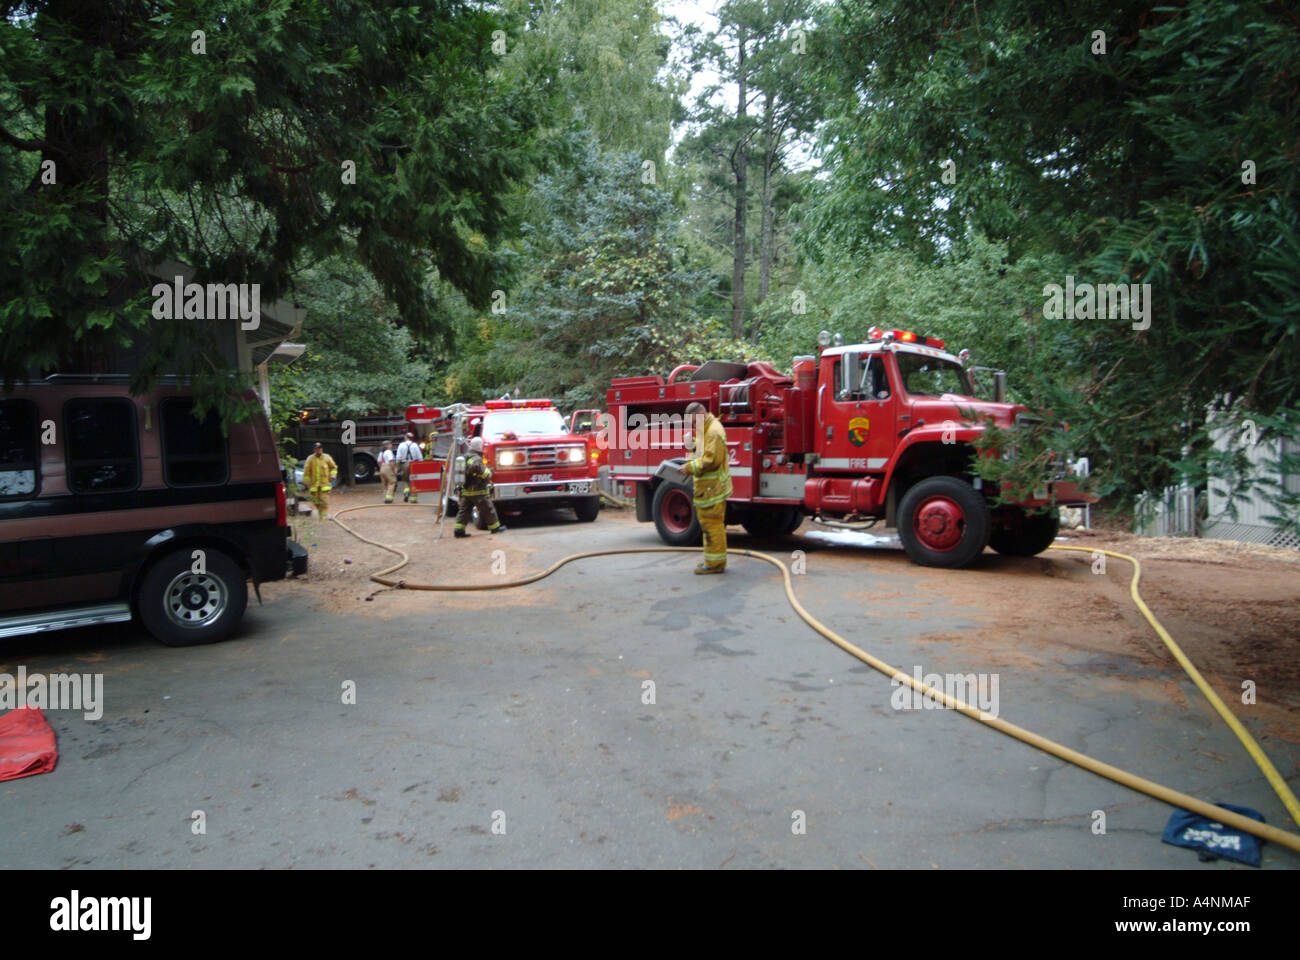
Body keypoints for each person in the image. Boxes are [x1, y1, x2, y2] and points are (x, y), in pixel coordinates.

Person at [680, 401, 731, 574]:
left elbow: (711, 460)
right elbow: (703, 450)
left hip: (712, 489)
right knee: (710, 525)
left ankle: (714, 564)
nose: (694, 427)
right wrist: (692, 443)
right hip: (708, 489)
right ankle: (714, 562)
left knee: (712, 526)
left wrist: (688, 468)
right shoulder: (706, 428)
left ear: (701, 415)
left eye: (694, 423)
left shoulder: (714, 431)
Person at [454, 437, 505, 537]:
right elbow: (484, 474)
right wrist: (490, 471)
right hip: (478, 490)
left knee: (464, 511)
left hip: (466, 490)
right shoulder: (476, 459)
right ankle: (495, 528)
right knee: (488, 509)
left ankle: (458, 531)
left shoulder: (465, 457)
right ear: (479, 446)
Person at [302, 442, 338, 520]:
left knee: (324, 501)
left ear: (322, 449)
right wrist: (306, 483)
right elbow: (306, 472)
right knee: (316, 502)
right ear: (314, 450)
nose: (318, 450)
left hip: (325, 485)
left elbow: (333, 468)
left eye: (320, 448)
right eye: (316, 448)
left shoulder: (327, 457)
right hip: (314, 486)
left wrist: (333, 476)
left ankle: (323, 517)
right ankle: (322, 513)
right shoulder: (310, 459)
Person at [396, 432, 422, 503]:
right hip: (413, 465)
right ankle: (413, 499)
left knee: (406, 480)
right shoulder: (415, 445)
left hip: (404, 464)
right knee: (414, 481)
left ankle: (406, 493)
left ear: (406, 437)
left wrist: (397, 467)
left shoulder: (401, 445)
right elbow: (419, 457)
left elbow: (398, 457)